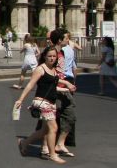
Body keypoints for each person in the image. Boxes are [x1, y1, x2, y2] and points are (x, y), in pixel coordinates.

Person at [15, 46, 66, 164]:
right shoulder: (40, 69)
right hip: (42, 102)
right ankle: (53, 154)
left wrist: (66, 87)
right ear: (44, 56)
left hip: (51, 103)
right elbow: (30, 85)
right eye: (49, 56)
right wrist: (20, 99)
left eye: (54, 56)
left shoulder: (53, 70)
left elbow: (52, 87)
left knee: (44, 131)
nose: (52, 58)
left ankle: (24, 143)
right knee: (54, 128)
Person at [51, 30, 77, 158]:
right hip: (55, 89)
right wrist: (65, 83)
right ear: (60, 40)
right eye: (66, 38)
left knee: (70, 115)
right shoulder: (52, 54)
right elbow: (48, 74)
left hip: (63, 85)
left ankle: (60, 143)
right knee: (49, 120)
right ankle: (45, 146)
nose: (69, 40)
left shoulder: (61, 52)